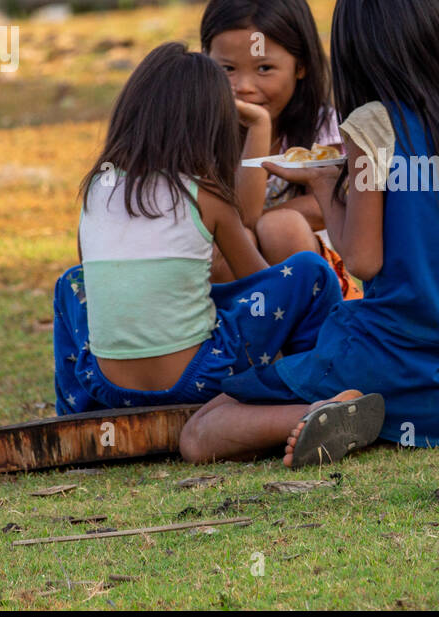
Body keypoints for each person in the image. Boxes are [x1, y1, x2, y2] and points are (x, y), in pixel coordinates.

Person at [180, 0, 439, 466]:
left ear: (355, 56)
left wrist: (325, 185)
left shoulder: (372, 124)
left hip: (385, 352)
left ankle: (336, 411)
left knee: (201, 432)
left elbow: (363, 260)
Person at [52, 43, 380, 458]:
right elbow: (260, 280)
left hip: (108, 385)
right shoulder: (206, 194)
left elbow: (101, 284)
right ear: (213, 126)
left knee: (71, 284)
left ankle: (73, 415)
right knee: (308, 274)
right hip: (199, 376)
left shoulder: (95, 191)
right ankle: (313, 386)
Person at [201, 0, 362, 299]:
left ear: (300, 66)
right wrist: (238, 228)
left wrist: (252, 222)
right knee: (223, 243)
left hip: (315, 273)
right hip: (237, 284)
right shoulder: (202, 134)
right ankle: (249, 345)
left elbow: (334, 202)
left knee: (279, 227)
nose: (243, 86)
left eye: (264, 69)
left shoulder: (324, 129)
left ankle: (317, 337)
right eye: (227, 69)